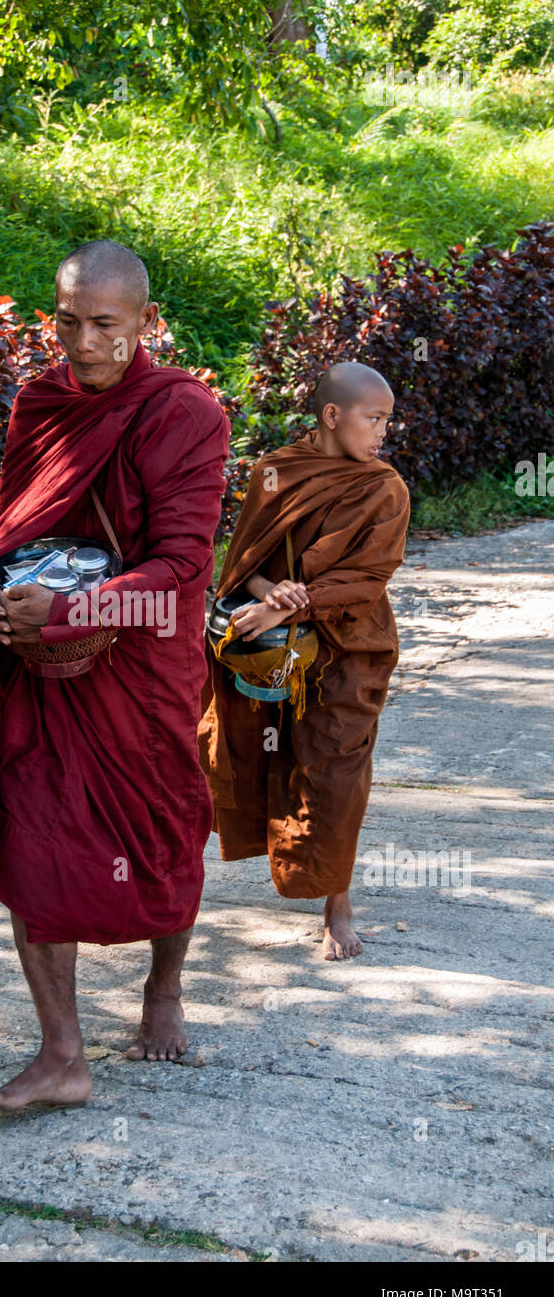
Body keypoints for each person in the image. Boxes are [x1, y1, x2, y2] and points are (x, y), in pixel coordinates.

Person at [0, 239, 230, 1110]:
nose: (83, 342)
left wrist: (74, 609)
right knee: (34, 840)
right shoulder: (40, 402)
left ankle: (163, 989)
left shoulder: (185, 412)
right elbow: (13, 525)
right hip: (41, 660)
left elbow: (182, 564)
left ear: (145, 321)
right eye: (67, 321)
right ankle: (62, 1055)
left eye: (104, 324)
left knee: (162, 834)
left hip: (142, 656)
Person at [198, 361, 410, 960]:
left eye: (387, 420)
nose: (382, 432)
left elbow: (369, 575)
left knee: (335, 768)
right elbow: (244, 561)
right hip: (270, 645)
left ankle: (336, 905)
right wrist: (271, 594)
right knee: (258, 749)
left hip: (351, 645)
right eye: (374, 419)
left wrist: (297, 603)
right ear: (332, 416)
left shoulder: (384, 487)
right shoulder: (276, 472)